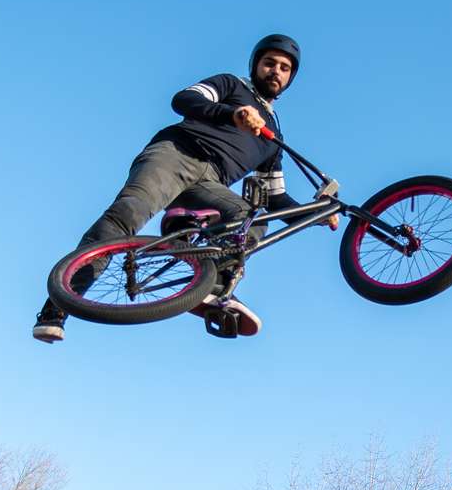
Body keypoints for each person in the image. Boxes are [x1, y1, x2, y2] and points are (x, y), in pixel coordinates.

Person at [33, 33, 337, 343]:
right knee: (125, 216)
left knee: (251, 218)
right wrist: (232, 114)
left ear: (290, 78)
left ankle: (214, 287)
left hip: (210, 182)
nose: (276, 71)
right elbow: (184, 99)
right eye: (269, 63)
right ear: (256, 65)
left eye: (284, 68)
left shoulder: (272, 137)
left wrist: (315, 215)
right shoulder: (232, 85)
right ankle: (57, 307)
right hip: (176, 154)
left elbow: (275, 198)